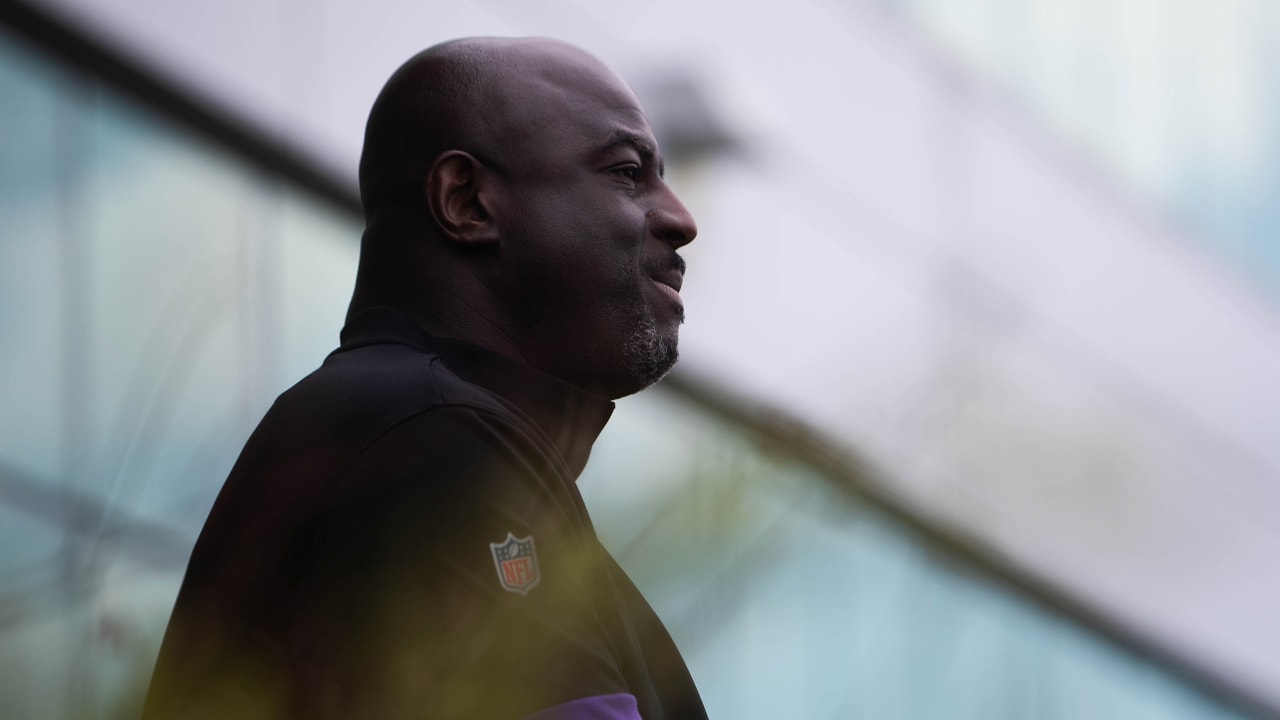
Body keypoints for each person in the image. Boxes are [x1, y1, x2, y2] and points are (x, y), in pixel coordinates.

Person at [142, 37, 705, 720]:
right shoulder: (434, 438)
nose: (681, 219)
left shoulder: (406, 427)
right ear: (465, 201)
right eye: (625, 173)